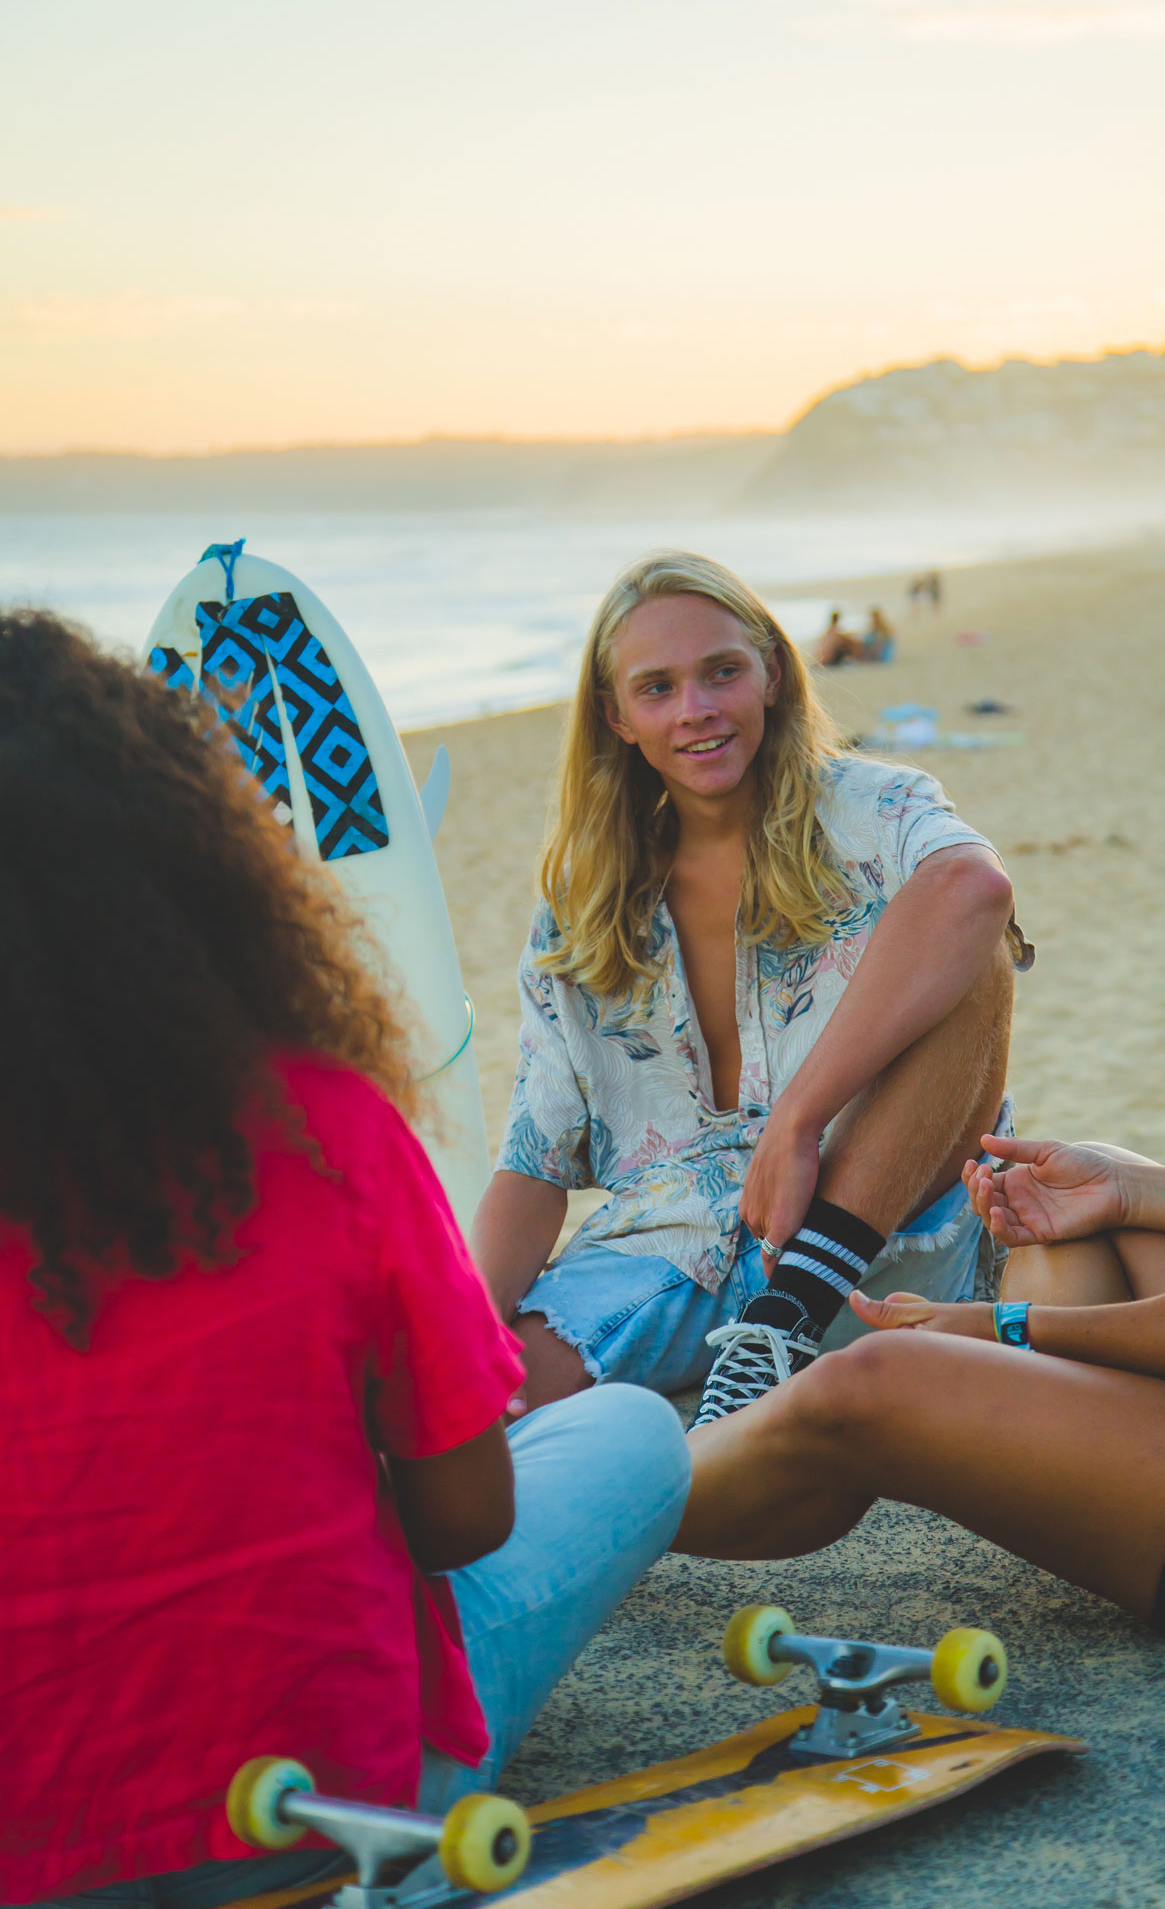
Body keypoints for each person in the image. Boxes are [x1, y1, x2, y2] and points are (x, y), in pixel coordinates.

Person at [673, 484, 1165, 1654]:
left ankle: (557, 1526)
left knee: (864, 1386)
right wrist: (1129, 1188)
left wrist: (1002, 1331)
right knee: (1091, 1223)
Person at [0, 611, 689, 1909]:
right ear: (184, 866)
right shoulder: (323, 1129)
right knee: (635, 1435)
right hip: (316, 1821)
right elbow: (465, 1519)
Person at [471, 551, 1030, 1428]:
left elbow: (974, 889)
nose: (695, 709)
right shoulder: (583, 906)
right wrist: (460, 1333)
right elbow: (535, 1165)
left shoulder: (871, 811)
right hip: (667, 1244)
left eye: (722, 672)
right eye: (657, 688)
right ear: (616, 715)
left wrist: (797, 1123)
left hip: (866, 1245)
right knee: (478, 1404)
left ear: (771, 672)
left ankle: (780, 1324)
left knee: (977, 961)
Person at [816, 605, 894, 668]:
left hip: (877, 656)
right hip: (872, 653)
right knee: (848, 643)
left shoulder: (882, 632)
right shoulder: (879, 631)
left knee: (850, 643)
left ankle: (833, 658)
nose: (872, 620)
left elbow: (876, 646)